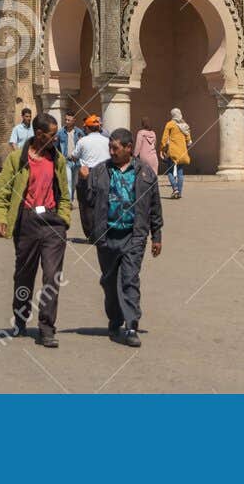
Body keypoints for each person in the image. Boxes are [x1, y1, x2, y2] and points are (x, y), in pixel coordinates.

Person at [0, 114, 71, 347]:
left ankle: (47, 328)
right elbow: (2, 193)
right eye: (52, 135)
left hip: (52, 223)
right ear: (39, 134)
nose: (55, 139)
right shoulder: (17, 159)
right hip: (26, 222)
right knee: (24, 275)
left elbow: (64, 194)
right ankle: (20, 317)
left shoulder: (58, 159)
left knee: (52, 276)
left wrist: (63, 219)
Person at [81, 128, 164, 346]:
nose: (111, 152)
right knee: (109, 282)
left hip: (133, 236)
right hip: (107, 236)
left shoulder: (145, 172)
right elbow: (88, 202)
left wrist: (156, 235)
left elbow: (155, 205)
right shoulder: (100, 171)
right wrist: (82, 181)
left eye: (115, 148)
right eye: (110, 147)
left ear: (128, 148)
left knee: (129, 280)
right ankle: (115, 320)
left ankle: (131, 326)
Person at [73, 114, 110, 208]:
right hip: (104, 174)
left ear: (87, 128)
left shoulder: (82, 141)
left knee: (86, 205)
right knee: (103, 203)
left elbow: (74, 156)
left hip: (87, 175)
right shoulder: (107, 141)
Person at [159, 108, 192, 199]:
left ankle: (175, 189)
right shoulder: (184, 125)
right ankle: (179, 193)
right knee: (180, 172)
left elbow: (164, 139)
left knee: (170, 171)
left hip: (172, 152)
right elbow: (189, 141)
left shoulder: (170, 124)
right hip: (182, 152)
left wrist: (161, 149)